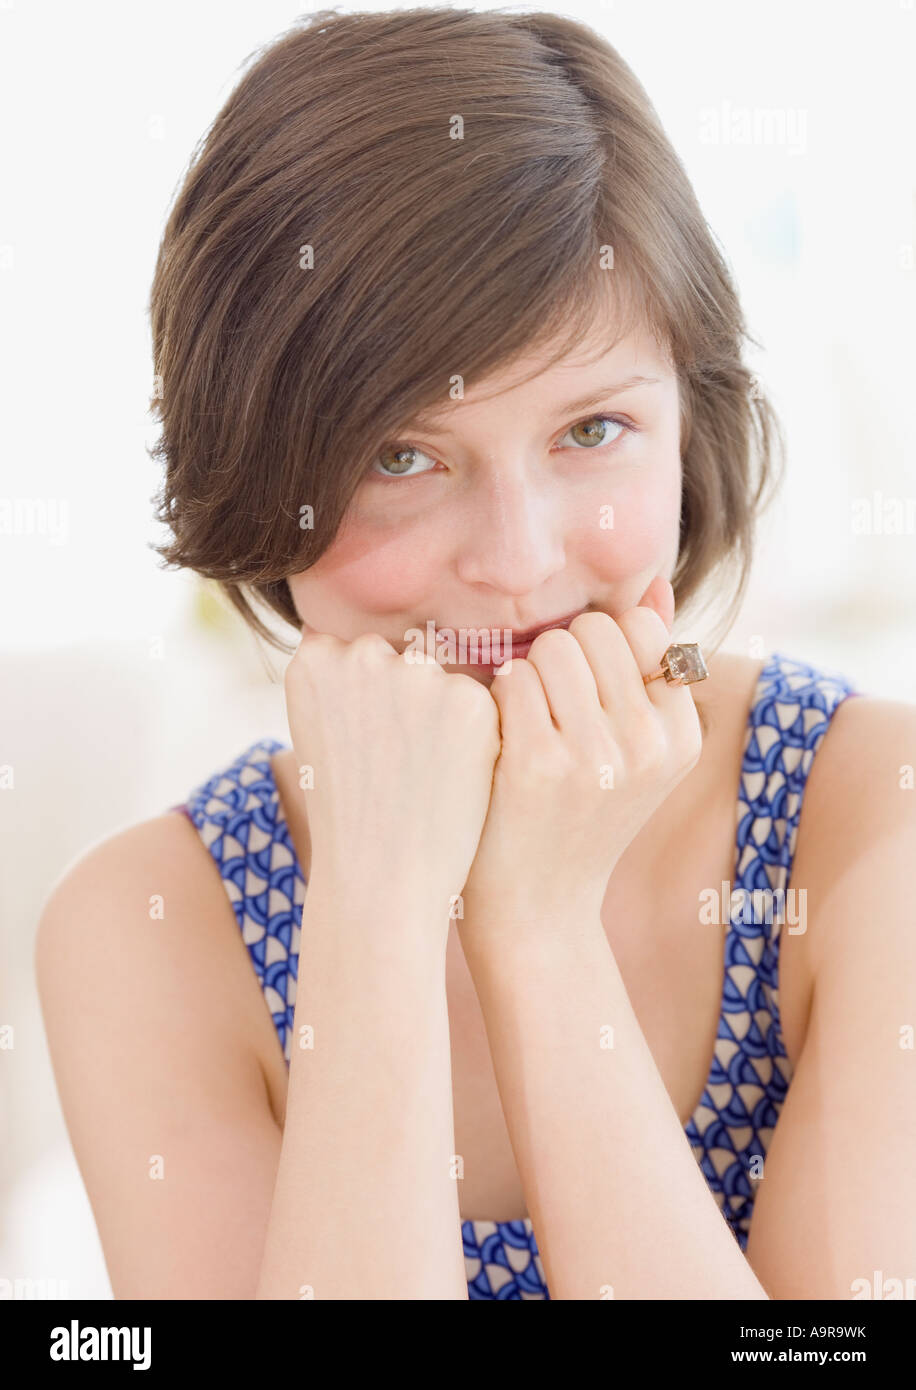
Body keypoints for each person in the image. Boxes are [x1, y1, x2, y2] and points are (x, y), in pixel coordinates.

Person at [35, 8, 915, 1301]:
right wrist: (376, 919)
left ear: (692, 423)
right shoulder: (149, 929)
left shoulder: (866, 820)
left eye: (594, 429)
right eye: (403, 455)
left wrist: (541, 928)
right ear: (255, 472)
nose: (514, 557)